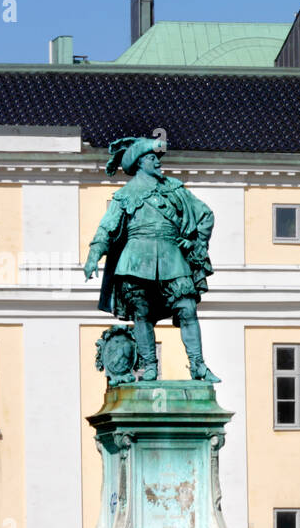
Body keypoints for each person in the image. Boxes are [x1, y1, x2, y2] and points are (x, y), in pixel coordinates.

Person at [83, 136, 219, 382]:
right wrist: (94, 256)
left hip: (172, 256)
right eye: (152, 158)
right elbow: (107, 229)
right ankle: (149, 367)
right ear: (139, 163)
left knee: (187, 308)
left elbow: (206, 214)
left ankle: (198, 365)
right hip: (135, 259)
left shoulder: (174, 189)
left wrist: (196, 241)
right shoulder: (124, 195)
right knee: (141, 314)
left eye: (157, 158)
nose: (157, 163)